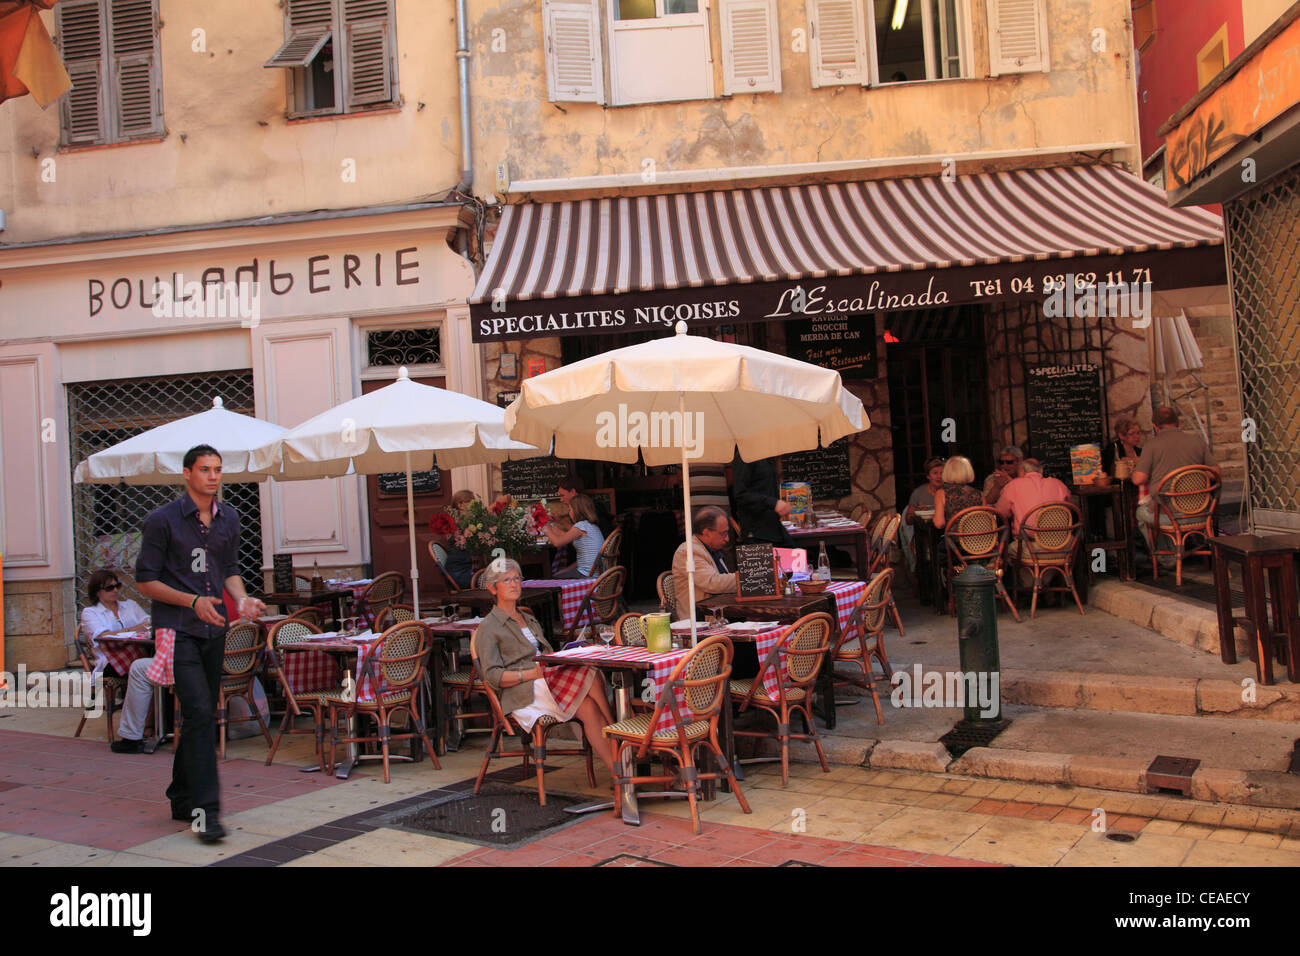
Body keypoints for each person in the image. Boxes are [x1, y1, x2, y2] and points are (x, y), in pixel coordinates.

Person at [135, 444, 265, 844]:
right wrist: (191, 600)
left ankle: (179, 794)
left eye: (218, 469)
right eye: (205, 469)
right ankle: (204, 813)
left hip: (215, 629)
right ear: (187, 473)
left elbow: (228, 569)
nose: (213, 476)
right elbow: (145, 581)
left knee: (199, 716)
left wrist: (241, 600)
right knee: (201, 714)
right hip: (177, 629)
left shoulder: (230, 518)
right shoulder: (162, 521)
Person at [474, 558, 616, 773]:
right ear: (493, 588)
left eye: (516, 579)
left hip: (546, 678)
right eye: (506, 580)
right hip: (523, 692)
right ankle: (615, 734)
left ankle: (618, 771)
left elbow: (545, 653)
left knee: (589, 701)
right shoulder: (489, 627)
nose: (513, 584)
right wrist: (531, 673)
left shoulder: (527, 618)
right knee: (589, 673)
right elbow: (492, 676)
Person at [1131, 407, 1219, 558]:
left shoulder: (1152, 446)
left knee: (1141, 513)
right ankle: (1188, 549)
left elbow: (1138, 479)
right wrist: (1195, 476)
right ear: (1178, 422)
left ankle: (1168, 558)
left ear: (1155, 426)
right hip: (1202, 513)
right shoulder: (1197, 441)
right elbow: (1215, 473)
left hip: (1170, 516)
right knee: (1156, 507)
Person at [80, 568, 150, 680]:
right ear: (97, 592)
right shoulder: (90, 613)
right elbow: (103, 636)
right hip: (109, 661)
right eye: (109, 588)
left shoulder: (130, 605)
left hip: (137, 654)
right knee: (148, 667)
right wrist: (136, 629)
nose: (115, 590)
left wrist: (119, 633)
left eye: (117, 586)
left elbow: (149, 623)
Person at [671, 506, 738, 621]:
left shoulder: (711, 548)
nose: (727, 539)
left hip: (720, 614)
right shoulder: (688, 551)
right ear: (706, 533)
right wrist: (748, 580)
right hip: (700, 622)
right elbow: (712, 583)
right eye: (723, 534)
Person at [995, 458, 1071, 539]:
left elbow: (1001, 513)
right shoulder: (1058, 484)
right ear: (1041, 471)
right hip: (1061, 541)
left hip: (1029, 544)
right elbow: (1068, 508)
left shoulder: (1013, 485)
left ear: (1022, 471)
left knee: (1008, 546)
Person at [732, 454, 793, 548]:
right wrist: (773, 503)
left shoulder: (769, 456)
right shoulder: (745, 455)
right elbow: (740, 494)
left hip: (774, 527)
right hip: (756, 531)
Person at [900, 457, 944, 573]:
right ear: (928, 476)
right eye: (935, 473)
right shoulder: (918, 493)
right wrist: (916, 511)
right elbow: (908, 520)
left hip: (943, 531)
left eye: (942, 473)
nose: (939, 476)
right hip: (924, 534)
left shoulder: (949, 492)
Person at [546, 493, 605, 577]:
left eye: (570, 509)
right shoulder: (590, 525)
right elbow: (566, 535)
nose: (569, 513)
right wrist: (557, 521)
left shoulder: (581, 526)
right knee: (560, 573)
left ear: (577, 511)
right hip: (595, 573)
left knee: (555, 578)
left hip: (587, 575)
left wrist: (544, 526)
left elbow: (557, 542)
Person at [433, 489, 476, 589]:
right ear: (460, 505)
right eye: (472, 502)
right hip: (460, 575)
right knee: (492, 579)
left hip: (468, 571)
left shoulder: (468, 523)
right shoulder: (458, 526)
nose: (475, 506)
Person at [932, 456, 983, 529]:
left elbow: (939, 524)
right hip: (981, 538)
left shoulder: (941, 493)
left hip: (956, 539)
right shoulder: (980, 494)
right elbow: (986, 520)